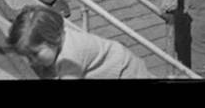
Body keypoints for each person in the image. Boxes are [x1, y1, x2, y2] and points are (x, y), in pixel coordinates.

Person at [8, 5, 152, 79]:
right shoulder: (59, 39)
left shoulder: (70, 56)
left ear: (53, 39)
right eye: (27, 57)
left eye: (34, 54)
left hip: (125, 72)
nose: (31, 61)